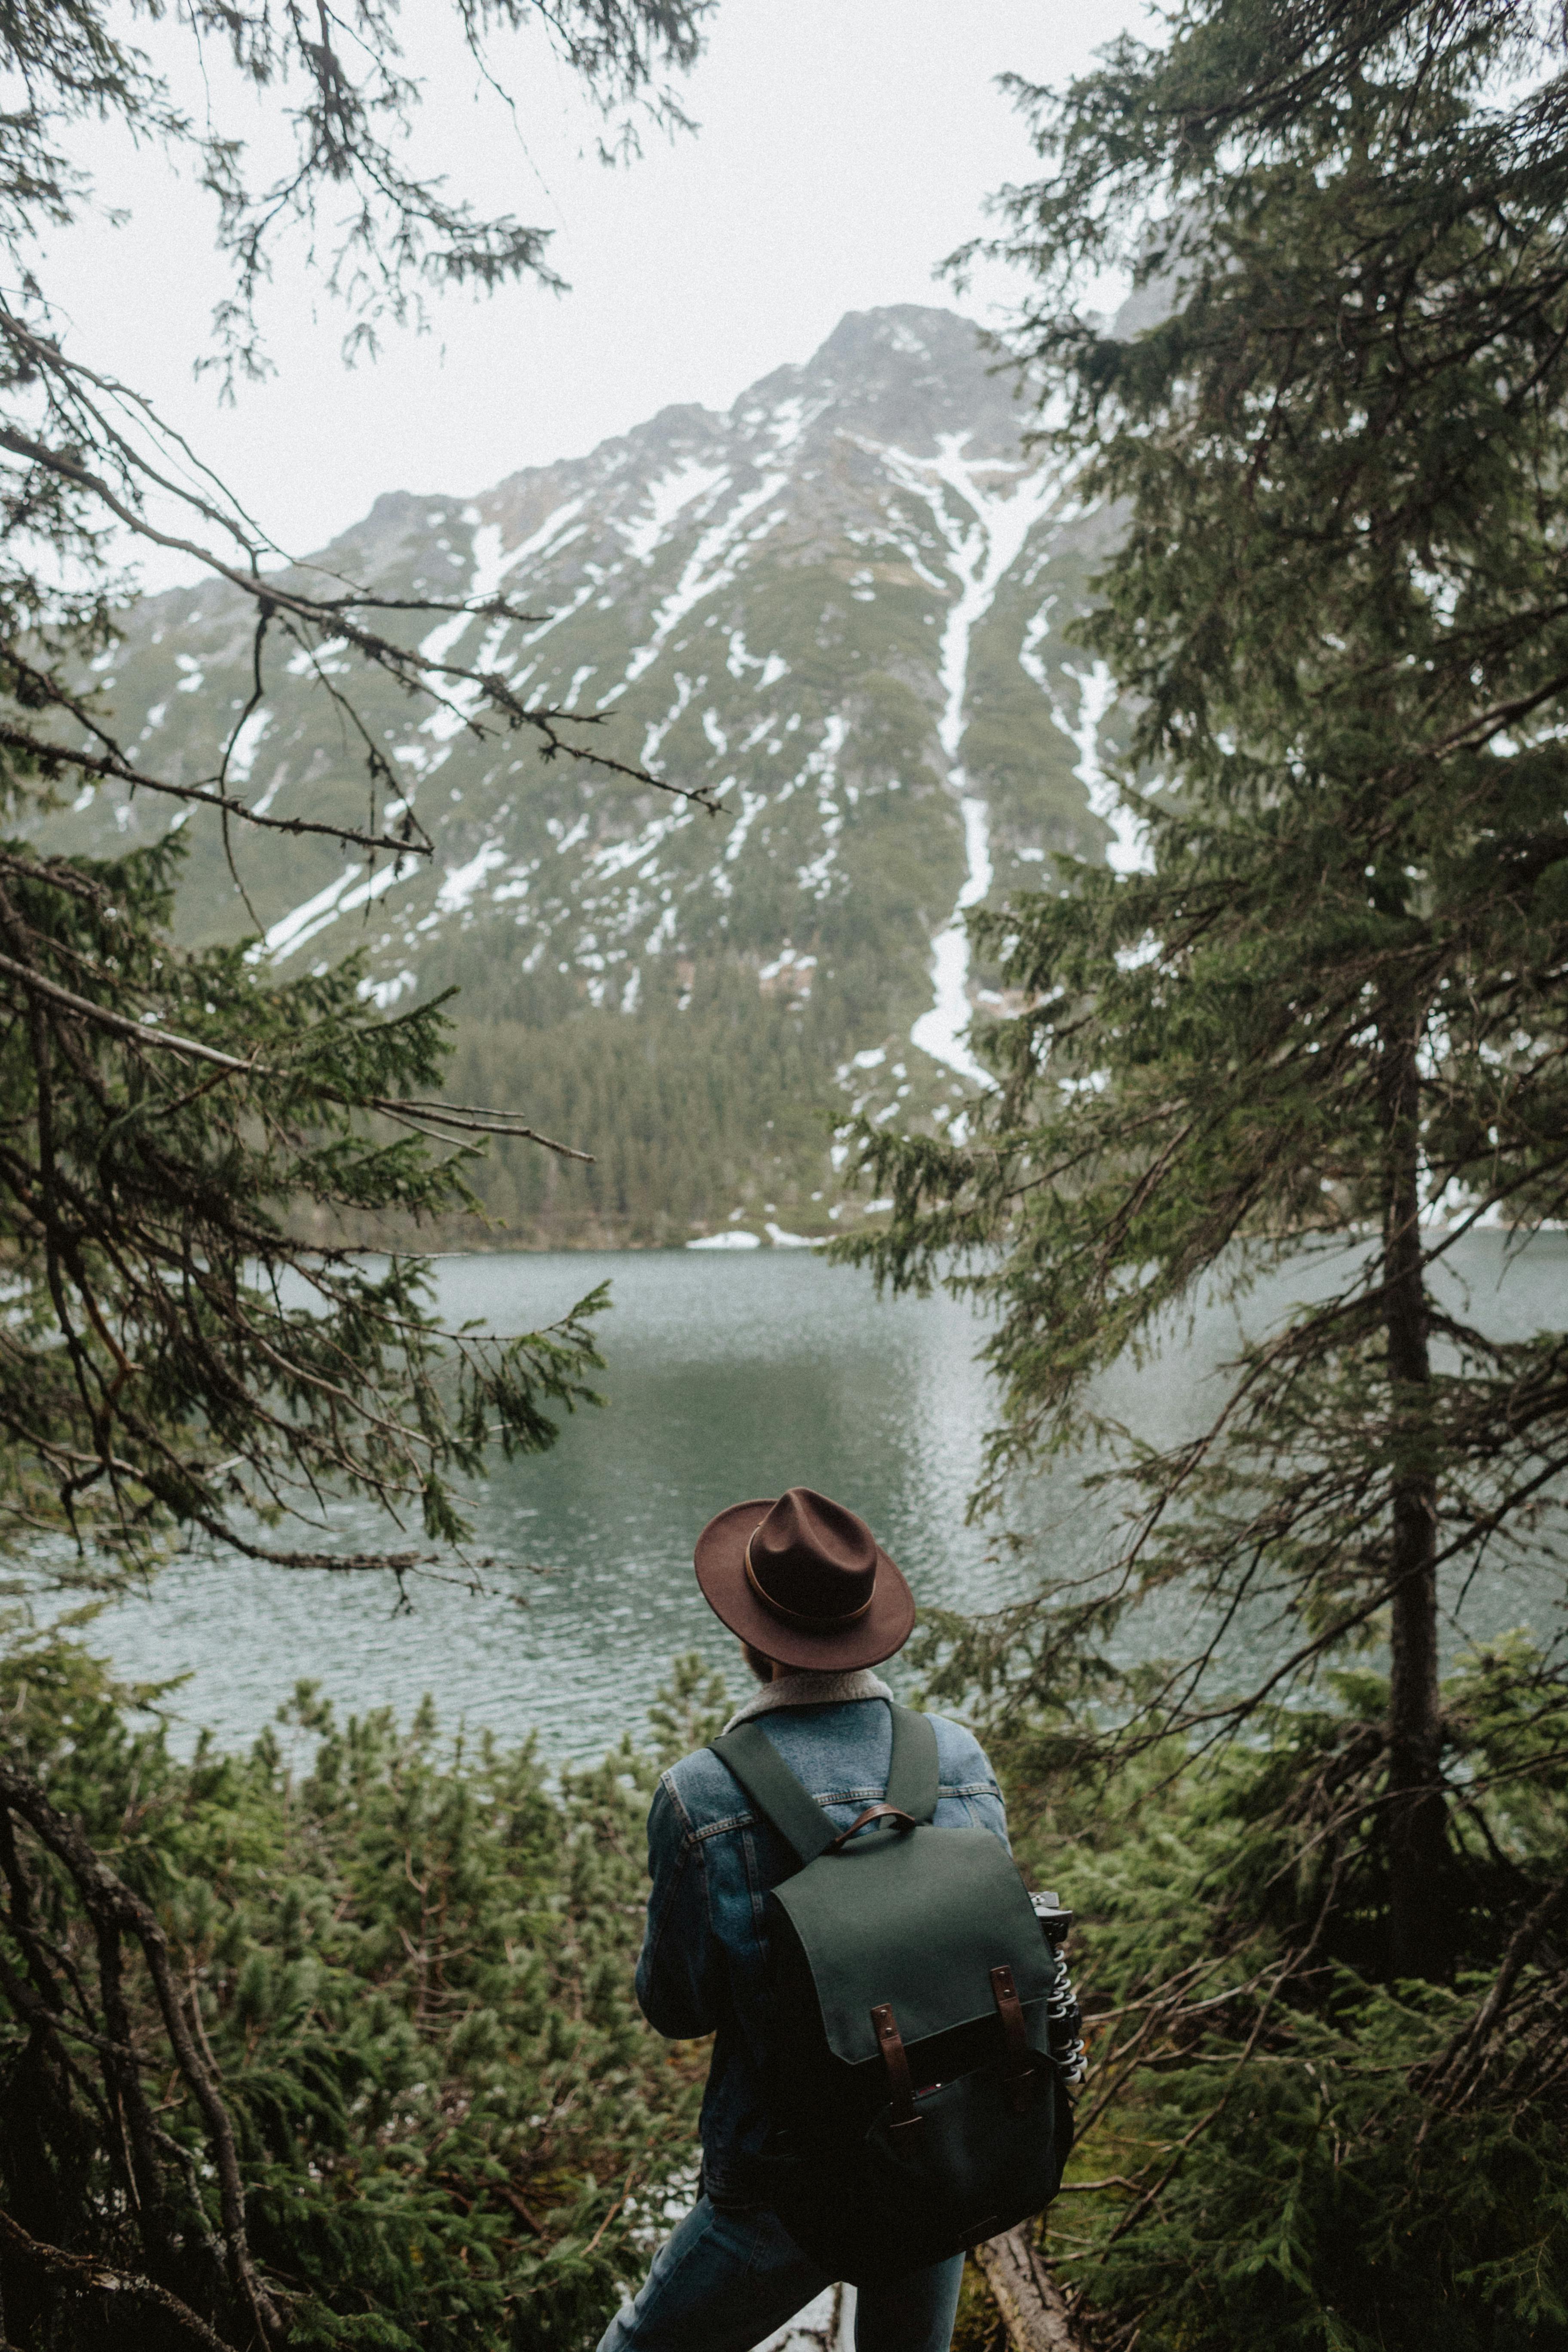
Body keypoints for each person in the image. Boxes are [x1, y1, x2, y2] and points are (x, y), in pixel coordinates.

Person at [597, 1485, 1013, 2352]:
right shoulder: (959, 1757)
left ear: (752, 1636)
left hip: (778, 2184)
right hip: (932, 2150)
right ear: (866, 1624)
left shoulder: (701, 1795)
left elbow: (677, 2009)